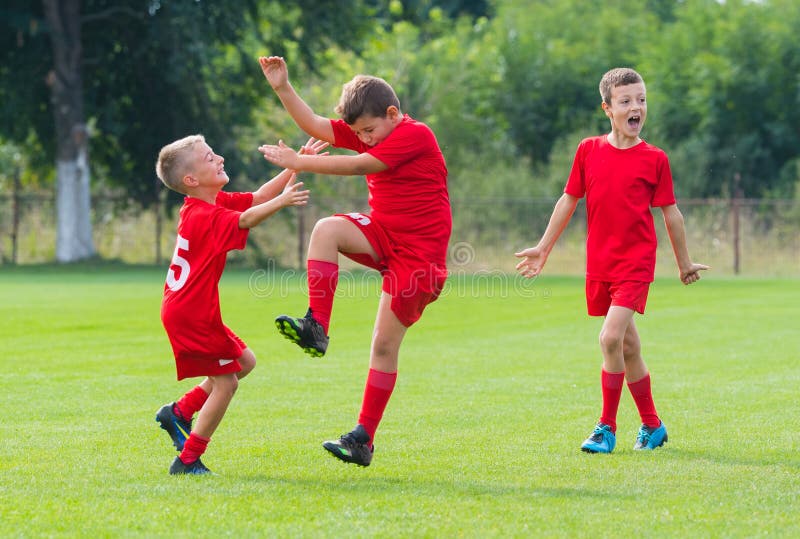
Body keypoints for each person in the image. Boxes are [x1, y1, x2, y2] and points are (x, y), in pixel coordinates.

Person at [257, 55, 451, 467]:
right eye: (359, 132)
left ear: (393, 114)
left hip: (419, 260)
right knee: (326, 229)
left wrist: (301, 162)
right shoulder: (372, 129)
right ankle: (316, 327)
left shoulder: (416, 135)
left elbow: (361, 165)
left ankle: (362, 438)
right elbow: (314, 124)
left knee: (383, 346)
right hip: (383, 237)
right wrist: (282, 88)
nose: (364, 138)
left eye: (369, 130)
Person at [515, 67, 709, 454]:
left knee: (609, 338)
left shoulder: (655, 159)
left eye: (641, 100)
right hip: (600, 264)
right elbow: (568, 201)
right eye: (626, 101)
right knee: (629, 348)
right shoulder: (588, 150)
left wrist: (684, 262)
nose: (636, 107)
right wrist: (543, 248)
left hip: (636, 264)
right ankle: (653, 426)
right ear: (608, 108)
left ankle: (605, 427)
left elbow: (671, 213)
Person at [154, 133, 322, 475]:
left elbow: (257, 197)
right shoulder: (202, 215)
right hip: (190, 313)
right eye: (210, 157)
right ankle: (188, 460)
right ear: (191, 180)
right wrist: (284, 201)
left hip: (190, 310)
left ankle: (179, 412)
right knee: (227, 382)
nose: (219, 159)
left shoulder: (209, 203)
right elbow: (247, 219)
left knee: (244, 361)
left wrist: (296, 164)